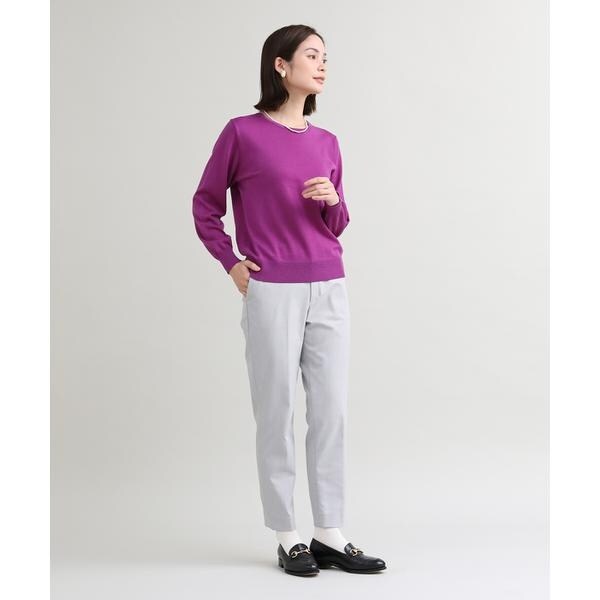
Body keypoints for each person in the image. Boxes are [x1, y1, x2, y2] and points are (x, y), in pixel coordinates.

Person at [192, 24, 386, 576]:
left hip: (329, 283)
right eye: (311, 55)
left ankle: (329, 532)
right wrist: (231, 262)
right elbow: (205, 205)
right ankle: (287, 534)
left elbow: (338, 224)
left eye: (326, 57)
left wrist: (331, 201)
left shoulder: (328, 143)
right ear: (280, 65)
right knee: (276, 410)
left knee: (331, 411)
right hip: (272, 286)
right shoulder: (242, 133)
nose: (322, 65)